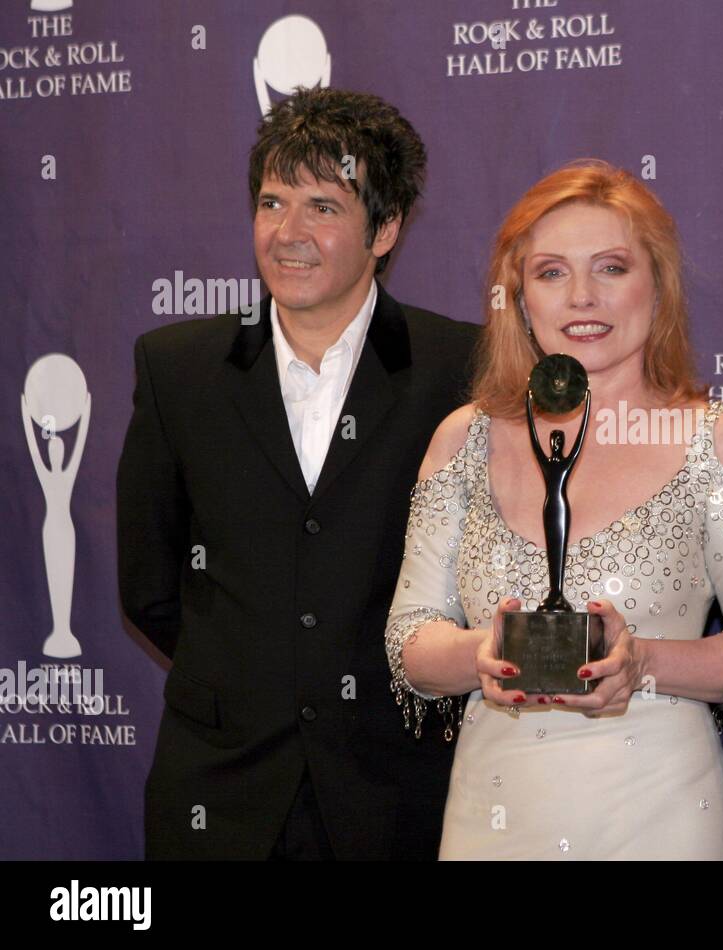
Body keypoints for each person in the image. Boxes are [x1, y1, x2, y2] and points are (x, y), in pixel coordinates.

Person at [117, 87, 479, 859]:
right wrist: (249, 680)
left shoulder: (461, 370)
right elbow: (148, 585)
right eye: (272, 203)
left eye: (322, 206)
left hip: (396, 790)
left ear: (386, 228)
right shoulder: (178, 370)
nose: (288, 234)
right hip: (220, 793)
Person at [385, 160, 723, 859]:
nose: (582, 297)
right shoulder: (463, 440)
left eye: (612, 268)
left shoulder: (718, 443)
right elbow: (410, 639)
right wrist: (484, 652)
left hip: (662, 820)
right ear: (518, 297)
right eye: (552, 272)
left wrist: (641, 661)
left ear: (658, 286)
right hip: (492, 820)